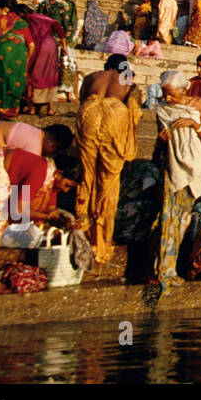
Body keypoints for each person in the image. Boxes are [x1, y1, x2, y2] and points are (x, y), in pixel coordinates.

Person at [0, 149, 80, 294]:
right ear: (58, 173)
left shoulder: (50, 178)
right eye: (67, 185)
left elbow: (50, 210)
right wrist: (47, 218)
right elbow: (19, 211)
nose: (65, 191)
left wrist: (61, 220)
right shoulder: (41, 170)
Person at [75, 53, 142, 262]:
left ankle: (82, 228)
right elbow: (135, 111)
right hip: (116, 117)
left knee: (87, 175)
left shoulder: (93, 76)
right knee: (108, 181)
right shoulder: (127, 80)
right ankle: (102, 238)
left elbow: (82, 99)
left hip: (89, 114)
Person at [154, 69, 201, 291]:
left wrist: (192, 123)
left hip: (195, 166)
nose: (168, 99)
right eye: (165, 94)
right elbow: (159, 144)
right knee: (168, 219)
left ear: (183, 90)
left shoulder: (197, 103)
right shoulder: (162, 110)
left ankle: (171, 268)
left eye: (172, 95)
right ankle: (163, 271)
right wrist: (162, 139)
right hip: (174, 166)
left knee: (182, 221)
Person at [0, 119, 75, 176]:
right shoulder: (35, 148)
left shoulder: (36, 133)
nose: (52, 154)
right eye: (56, 149)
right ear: (51, 140)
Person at [0, 0, 32, 119]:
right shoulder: (22, 23)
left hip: (1, 51)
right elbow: (31, 45)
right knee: (14, 81)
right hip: (20, 53)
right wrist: (26, 60)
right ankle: (11, 115)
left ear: (5, 9)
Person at [23, 10, 63, 114]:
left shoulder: (27, 18)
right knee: (51, 75)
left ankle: (31, 108)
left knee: (32, 73)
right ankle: (50, 109)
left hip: (39, 45)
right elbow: (61, 32)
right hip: (52, 45)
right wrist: (65, 47)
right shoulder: (48, 20)